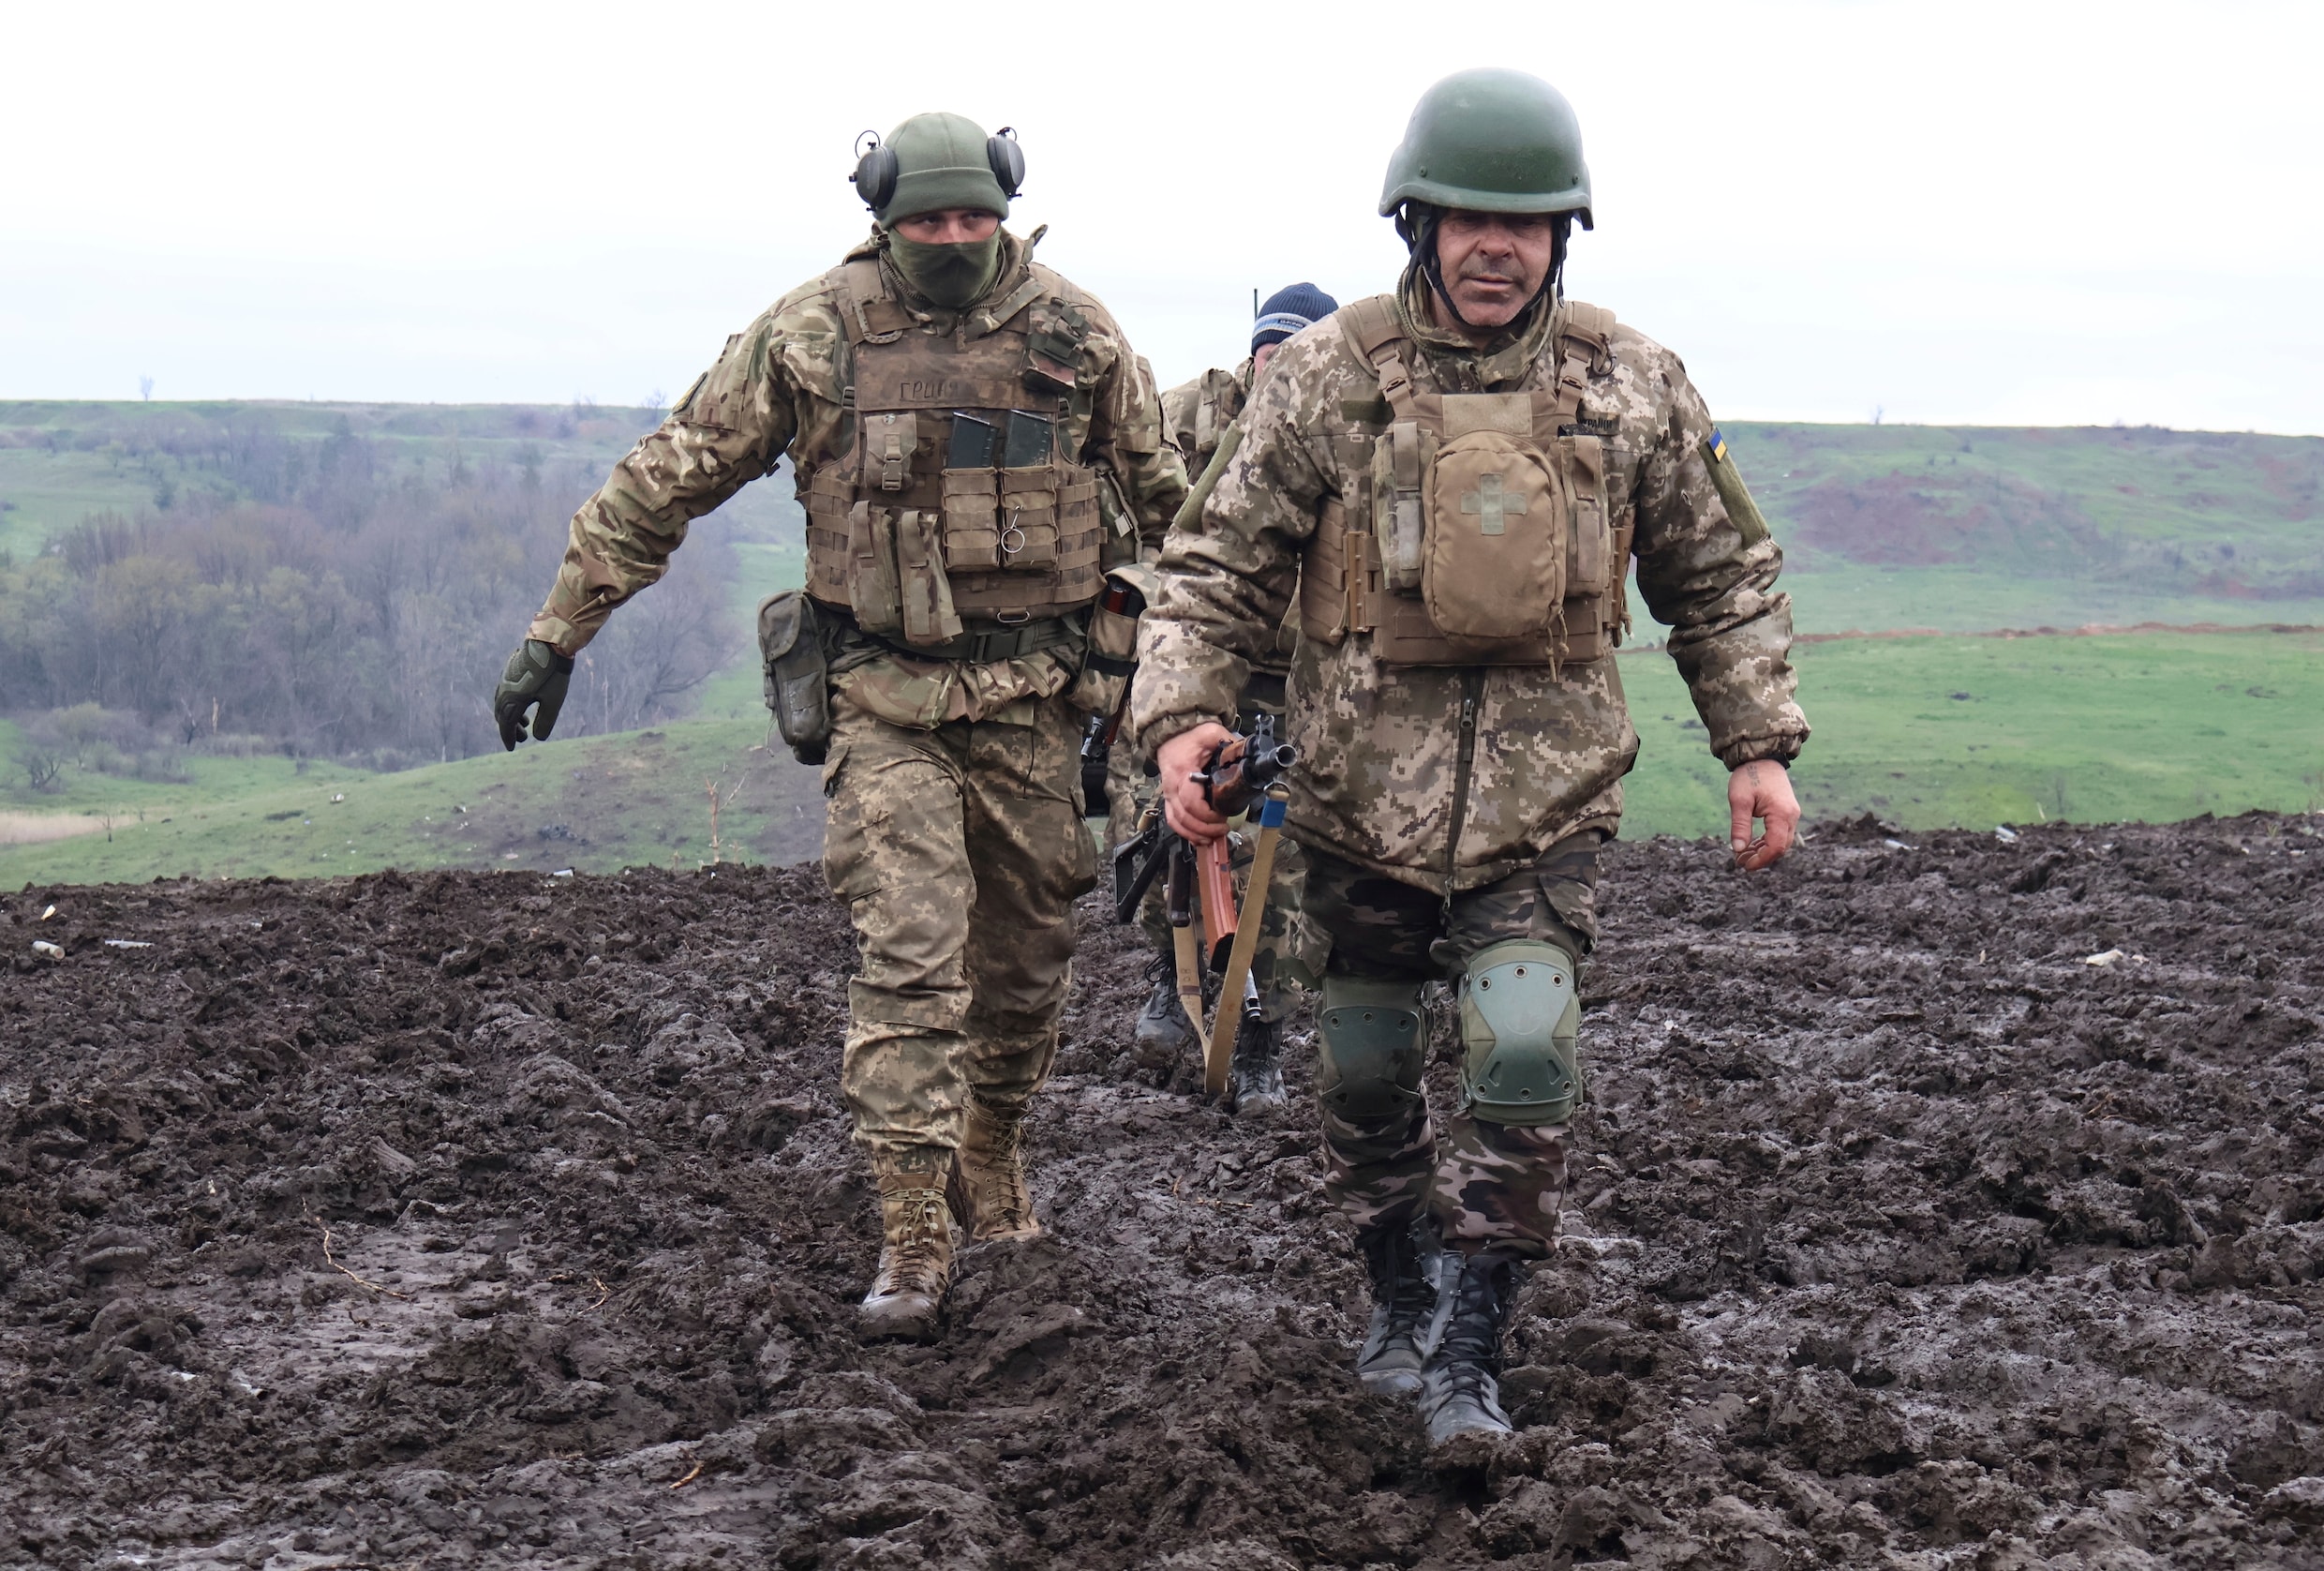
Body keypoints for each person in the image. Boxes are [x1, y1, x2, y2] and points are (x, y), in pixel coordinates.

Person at [1133, 68, 1808, 1452]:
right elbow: (1210, 564)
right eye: (1469, 221)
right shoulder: (1326, 377)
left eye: (1528, 224)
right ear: (1418, 223)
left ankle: (1471, 1342)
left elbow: (1720, 574)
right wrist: (1181, 712)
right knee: (1363, 1068)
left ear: (1564, 235)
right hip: (1353, 798)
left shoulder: (1631, 384)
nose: (1497, 248)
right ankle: (1397, 1288)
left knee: (1523, 1050)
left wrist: (1756, 745)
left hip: (1545, 805)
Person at [493, 112, 1185, 1341]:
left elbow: (1178, 510)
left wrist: (1208, 659)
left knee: (1026, 968)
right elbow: (672, 472)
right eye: (928, 222)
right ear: (882, 218)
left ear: (1005, 211)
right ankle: (913, 1230)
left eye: (973, 219)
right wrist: (560, 630)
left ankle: (990, 1158)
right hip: (883, 700)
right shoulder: (814, 333)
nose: (953, 240)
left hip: (1036, 704)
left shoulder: (1075, 333)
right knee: (911, 954)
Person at [1113, 283, 1338, 1113]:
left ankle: (1262, 1039)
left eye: (1304, 356)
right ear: (1254, 352)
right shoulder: (1185, 415)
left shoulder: (1353, 430)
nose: (1284, 370)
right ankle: (1169, 970)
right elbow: (1128, 503)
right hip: (1197, 665)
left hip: (1303, 680)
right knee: (1158, 822)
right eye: (1274, 352)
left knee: (1285, 865)